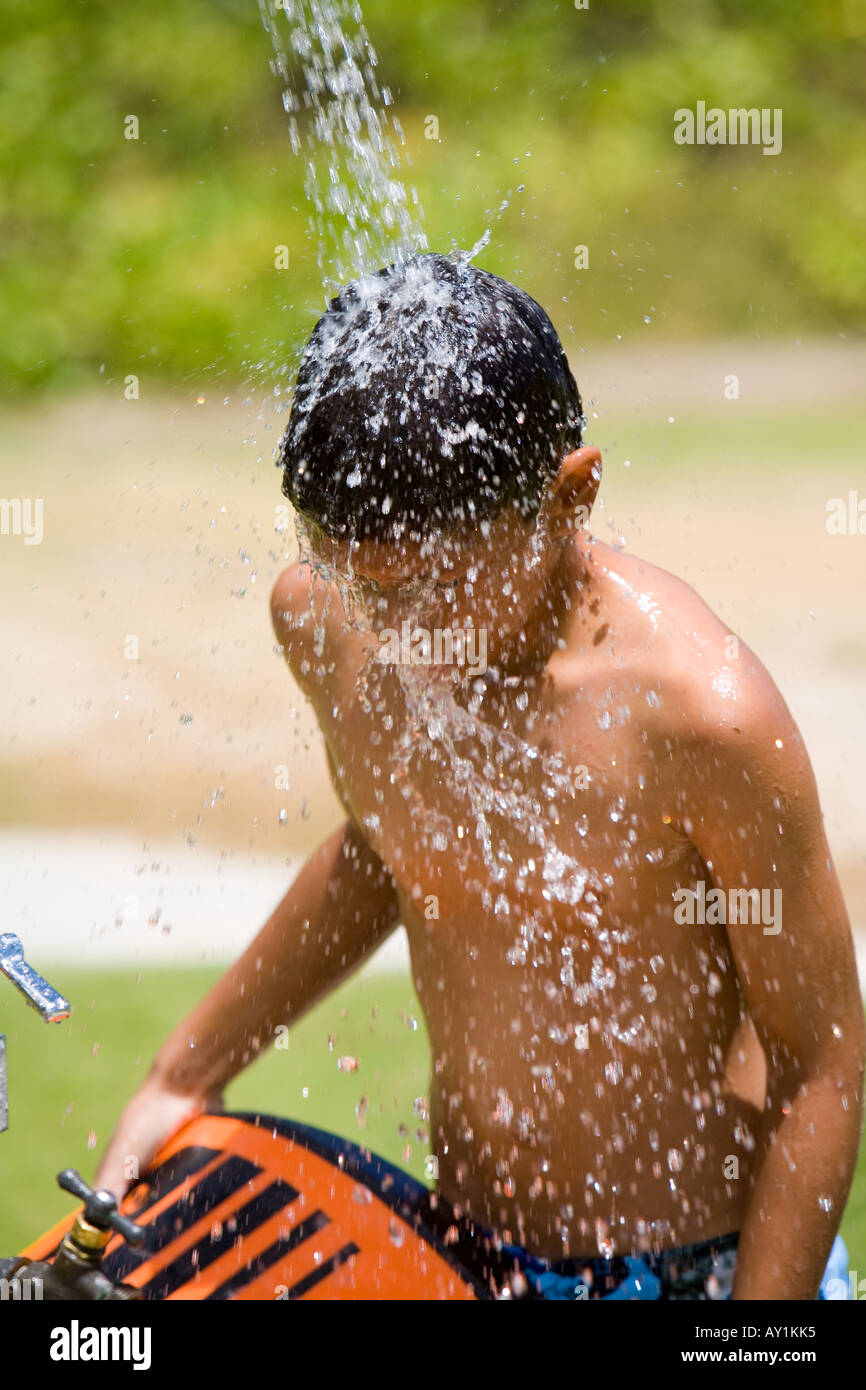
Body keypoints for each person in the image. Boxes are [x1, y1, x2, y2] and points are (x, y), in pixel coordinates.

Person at [95, 252, 864, 1300]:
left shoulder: (696, 719)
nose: (389, 632)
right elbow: (389, 845)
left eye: (425, 590)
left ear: (567, 496)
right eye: (345, 575)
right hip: (464, 1257)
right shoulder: (329, 620)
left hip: (699, 1269)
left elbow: (818, 1066)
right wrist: (183, 1072)